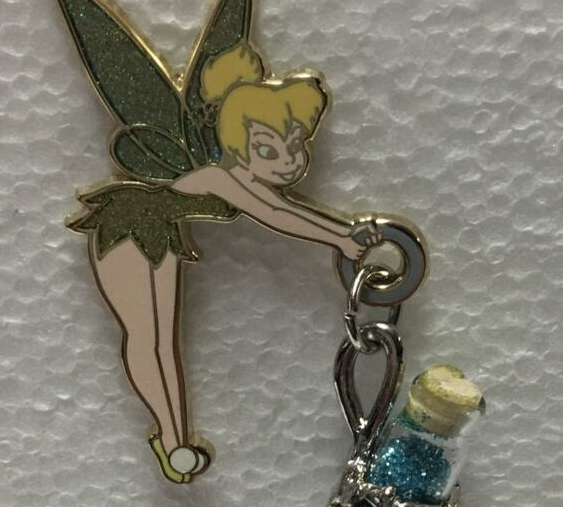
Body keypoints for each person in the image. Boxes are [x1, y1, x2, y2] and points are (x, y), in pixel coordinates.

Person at [68, 43, 380, 483]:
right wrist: (342, 238)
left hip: (161, 231)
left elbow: (280, 206)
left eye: (296, 145)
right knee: (148, 336)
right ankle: (171, 440)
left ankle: (176, 443)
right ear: (235, 143)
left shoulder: (238, 177)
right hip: (125, 225)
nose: (289, 162)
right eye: (268, 150)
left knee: (164, 341)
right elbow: (274, 213)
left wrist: (342, 235)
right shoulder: (220, 175)